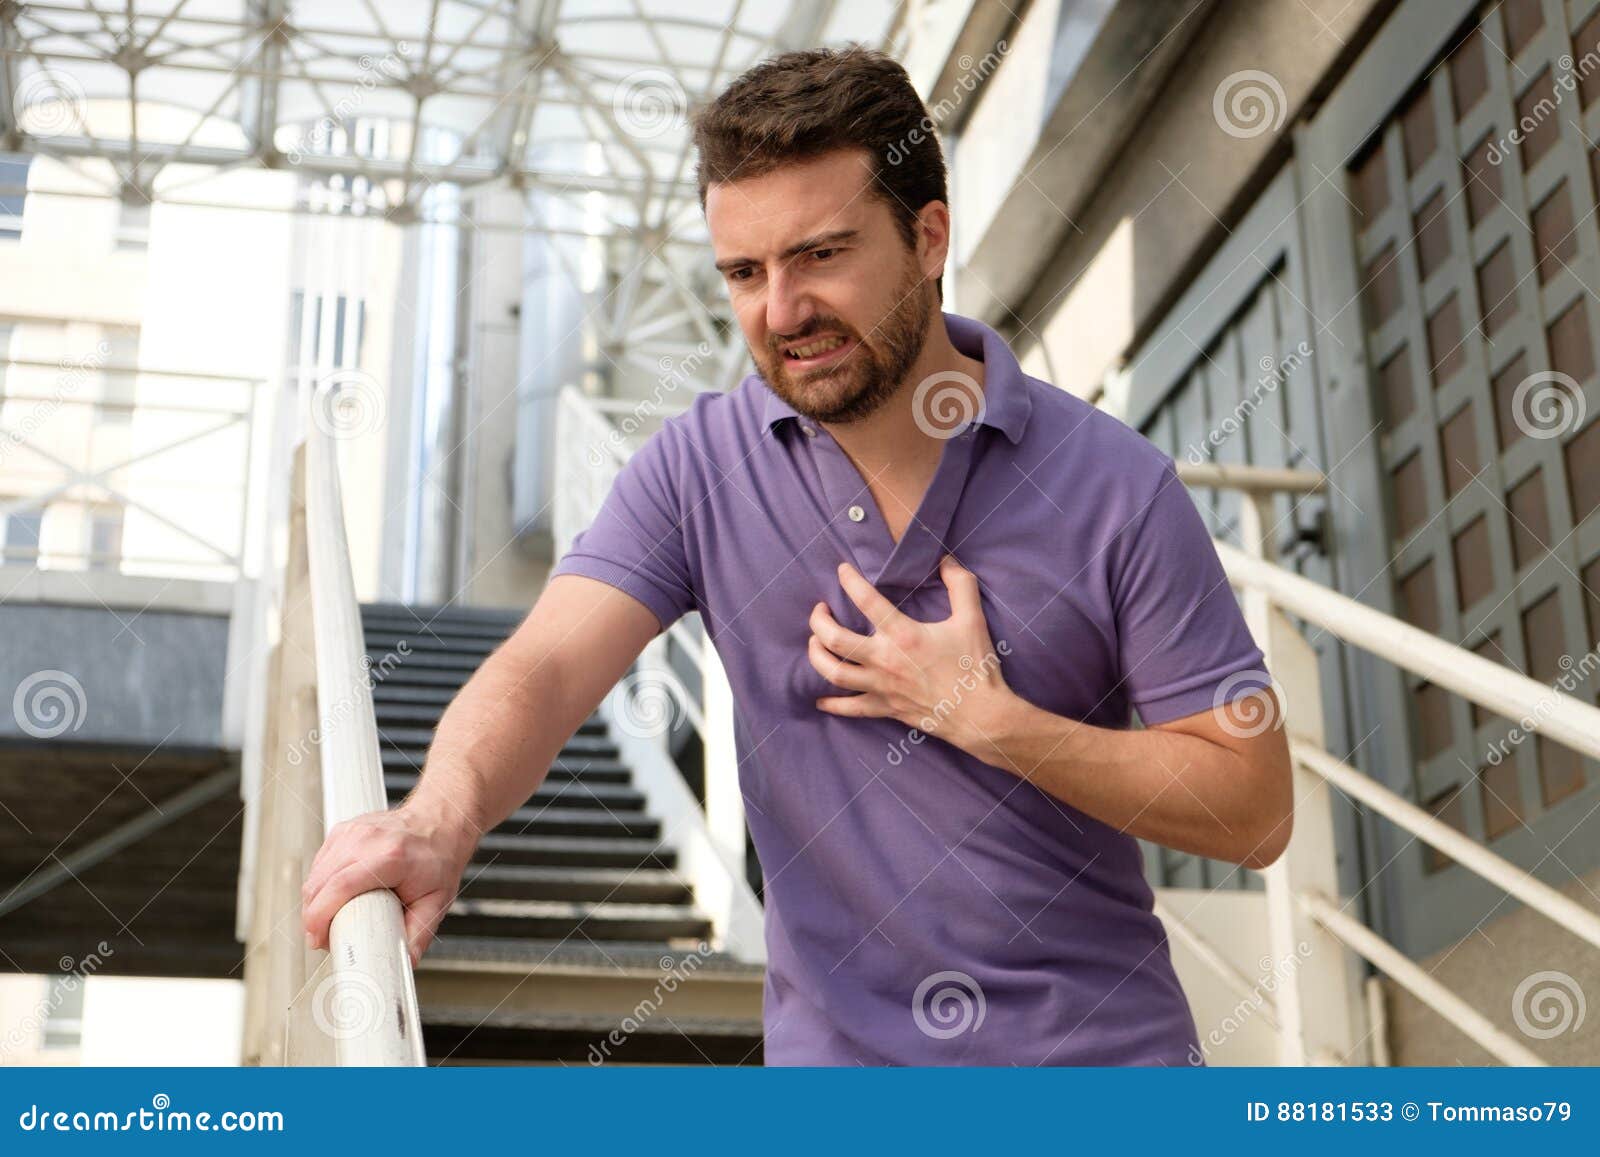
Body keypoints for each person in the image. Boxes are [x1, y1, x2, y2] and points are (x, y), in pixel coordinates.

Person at [303, 44, 1293, 1066]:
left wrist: (992, 721)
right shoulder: (696, 470)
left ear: (929, 237)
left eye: (821, 254)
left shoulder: (1113, 486)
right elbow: (545, 665)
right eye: (744, 271)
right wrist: (437, 820)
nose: (780, 312)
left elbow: (1254, 806)